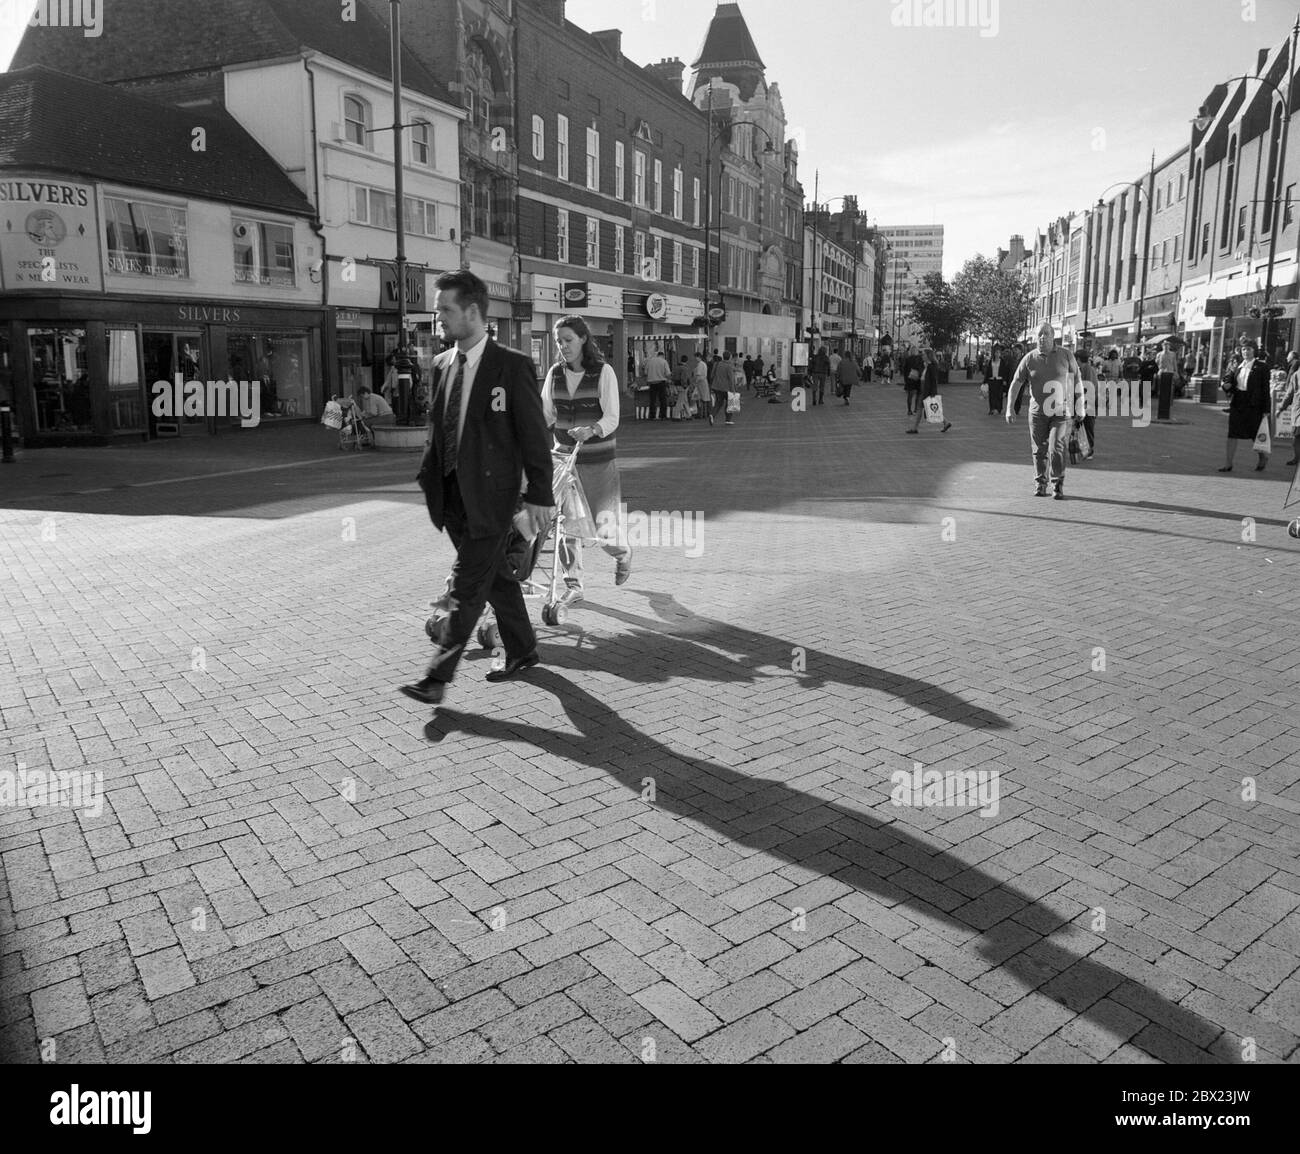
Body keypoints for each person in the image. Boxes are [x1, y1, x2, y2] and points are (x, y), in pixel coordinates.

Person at [402, 270, 555, 706]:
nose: (440, 319)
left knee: (468, 586)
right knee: (494, 580)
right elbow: (440, 429)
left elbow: (533, 437)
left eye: (446, 311)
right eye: (438, 312)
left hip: (491, 501)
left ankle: (436, 678)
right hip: (450, 498)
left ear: (472, 311)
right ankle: (523, 649)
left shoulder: (512, 366)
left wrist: (540, 495)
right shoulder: (441, 364)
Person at [541, 314, 634, 603]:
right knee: (565, 526)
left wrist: (592, 429)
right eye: (559, 341)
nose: (563, 346)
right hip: (563, 462)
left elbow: (612, 417)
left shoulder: (603, 372)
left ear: (583, 339)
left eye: (568, 340)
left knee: (603, 526)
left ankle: (623, 553)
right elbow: (545, 414)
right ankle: (574, 584)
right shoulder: (555, 373)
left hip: (597, 460)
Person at [1007, 322, 1079, 500]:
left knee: (1057, 448)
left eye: (1046, 334)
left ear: (1053, 336)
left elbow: (1076, 379)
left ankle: (1057, 484)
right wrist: (1009, 408)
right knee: (1039, 450)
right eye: (1039, 334)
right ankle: (1040, 483)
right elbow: (1016, 383)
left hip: (1060, 412)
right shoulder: (1029, 358)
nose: (1042, 337)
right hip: (1037, 413)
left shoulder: (1066, 355)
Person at [1218, 336, 1271, 472]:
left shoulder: (1262, 367)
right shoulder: (1238, 366)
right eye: (1243, 349)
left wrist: (1266, 409)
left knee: (1254, 434)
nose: (1246, 352)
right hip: (1238, 402)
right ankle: (1228, 463)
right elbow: (1228, 380)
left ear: (1254, 351)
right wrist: (1226, 385)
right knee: (1232, 434)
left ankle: (1263, 457)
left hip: (1253, 404)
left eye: (1248, 349)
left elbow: (1265, 389)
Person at [906, 349, 951, 433]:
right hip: (923, 389)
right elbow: (923, 377)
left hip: (927, 391)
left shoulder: (932, 366)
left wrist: (933, 393)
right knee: (923, 409)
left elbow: (934, 380)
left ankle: (915, 428)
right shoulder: (925, 365)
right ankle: (946, 422)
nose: (922, 356)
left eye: (923, 354)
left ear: (928, 356)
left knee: (928, 409)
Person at [712, 350, 740, 426]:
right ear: (730, 357)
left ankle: (712, 415)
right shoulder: (729, 366)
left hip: (716, 386)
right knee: (729, 403)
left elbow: (712, 375)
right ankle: (728, 419)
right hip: (726, 388)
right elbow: (731, 379)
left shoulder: (717, 364)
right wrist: (733, 390)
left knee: (718, 402)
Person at [643, 346, 671, 420]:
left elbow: (645, 372)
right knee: (662, 399)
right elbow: (668, 373)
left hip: (652, 383)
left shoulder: (649, 361)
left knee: (653, 400)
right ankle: (663, 415)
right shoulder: (664, 361)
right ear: (663, 356)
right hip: (661, 382)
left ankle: (652, 415)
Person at [984, 343, 1012, 415]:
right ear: (994, 353)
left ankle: (998, 409)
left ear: (1000, 354)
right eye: (996, 352)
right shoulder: (991, 361)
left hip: (1000, 381)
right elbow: (988, 371)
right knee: (992, 396)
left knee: (999, 396)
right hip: (992, 380)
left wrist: (1005, 380)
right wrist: (985, 381)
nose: (997, 354)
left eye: (999, 353)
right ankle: (992, 409)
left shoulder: (1002, 361)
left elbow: (1005, 372)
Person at [902, 347, 925, 415]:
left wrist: (906, 380)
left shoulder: (908, 359)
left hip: (910, 379)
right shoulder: (920, 359)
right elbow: (922, 368)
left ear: (911, 352)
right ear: (916, 351)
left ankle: (909, 410)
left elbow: (905, 369)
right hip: (918, 379)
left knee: (910, 395)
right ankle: (915, 409)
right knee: (918, 395)